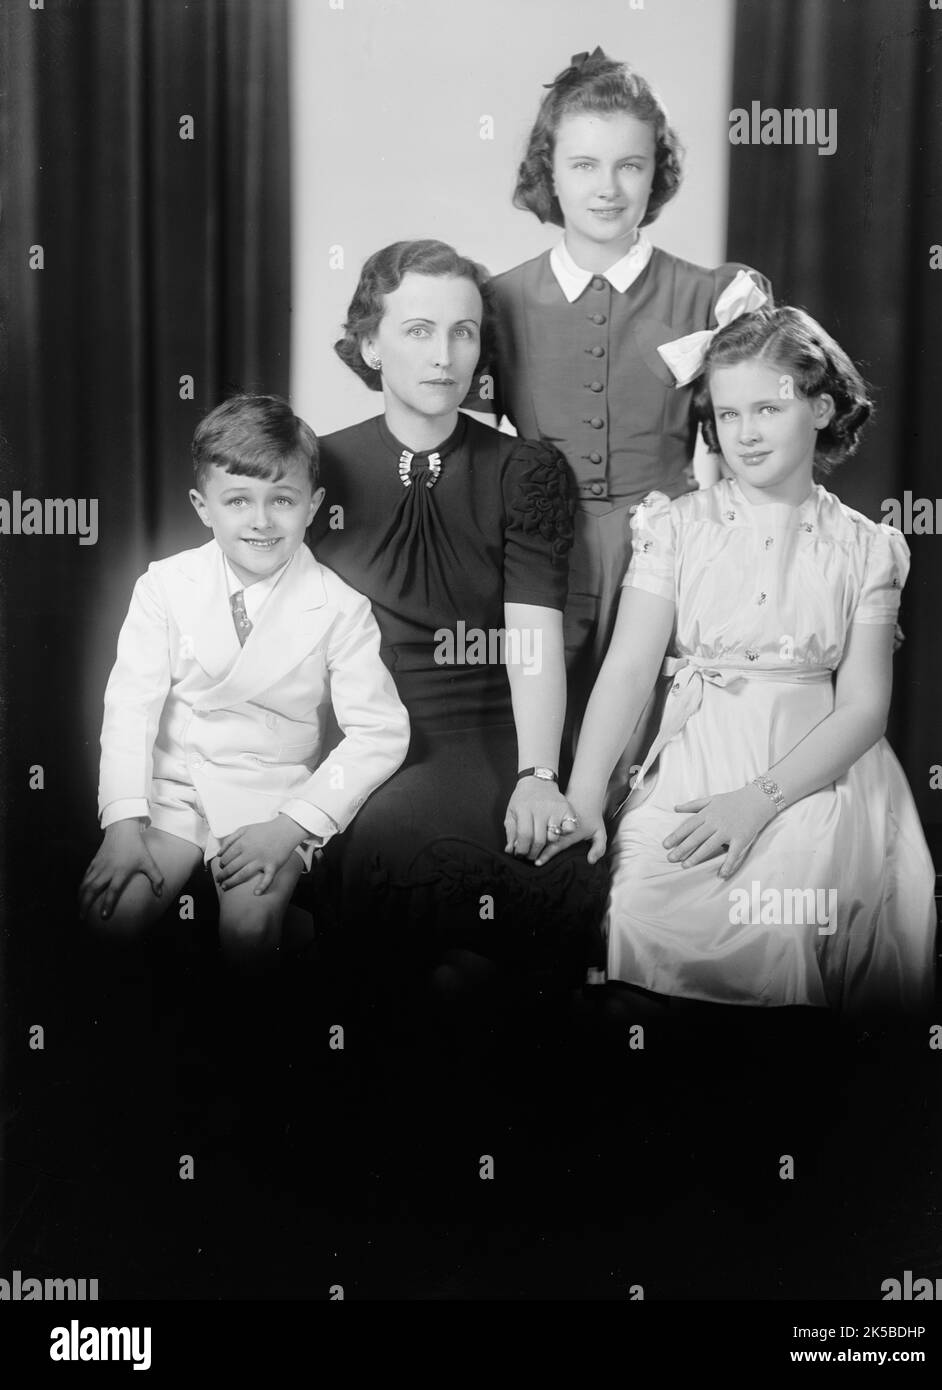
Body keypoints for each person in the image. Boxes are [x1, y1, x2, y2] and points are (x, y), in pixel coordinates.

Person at [539, 306, 936, 1014]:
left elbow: (864, 710)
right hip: (693, 763)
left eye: (766, 409)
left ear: (819, 408)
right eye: (727, 415)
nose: (745, 433)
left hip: (810, 774)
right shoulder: (675, 528)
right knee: (638, 905)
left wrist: (758, 801)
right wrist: (584, 796)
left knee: (780, 917)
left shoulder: (865, 547)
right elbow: (628, 670)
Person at [310, 239, 607, 979]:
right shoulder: (318, 467)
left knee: (400, 855)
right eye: (418, 330)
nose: (445, 354)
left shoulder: (524, 472)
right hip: (362, 734)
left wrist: (537, 772)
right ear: (371, 346)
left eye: (463, 331)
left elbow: (532, 637)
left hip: (487, 734)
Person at [482, 47, 771, 750]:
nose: (607, 188)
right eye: (583, 165)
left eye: (629, 165)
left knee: (653, 751)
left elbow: (759, 443)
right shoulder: (500, 302)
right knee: (532, 750)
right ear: (548, 173)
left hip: (673, 553)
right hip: (537, 561)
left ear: (656, 172)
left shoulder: (712, 295)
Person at [78, 393, 410, 962]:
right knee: (112, 914)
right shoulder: (164, 585)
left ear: (313, 505)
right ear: (203, 506)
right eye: (238, 500)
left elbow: (379, 734)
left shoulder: (340, 607)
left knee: (249, 933)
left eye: (283, 499)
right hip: (172, 791)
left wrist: (291, 826)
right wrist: (123, 823)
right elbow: (130, 709)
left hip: (270, 797)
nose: (261, 521)